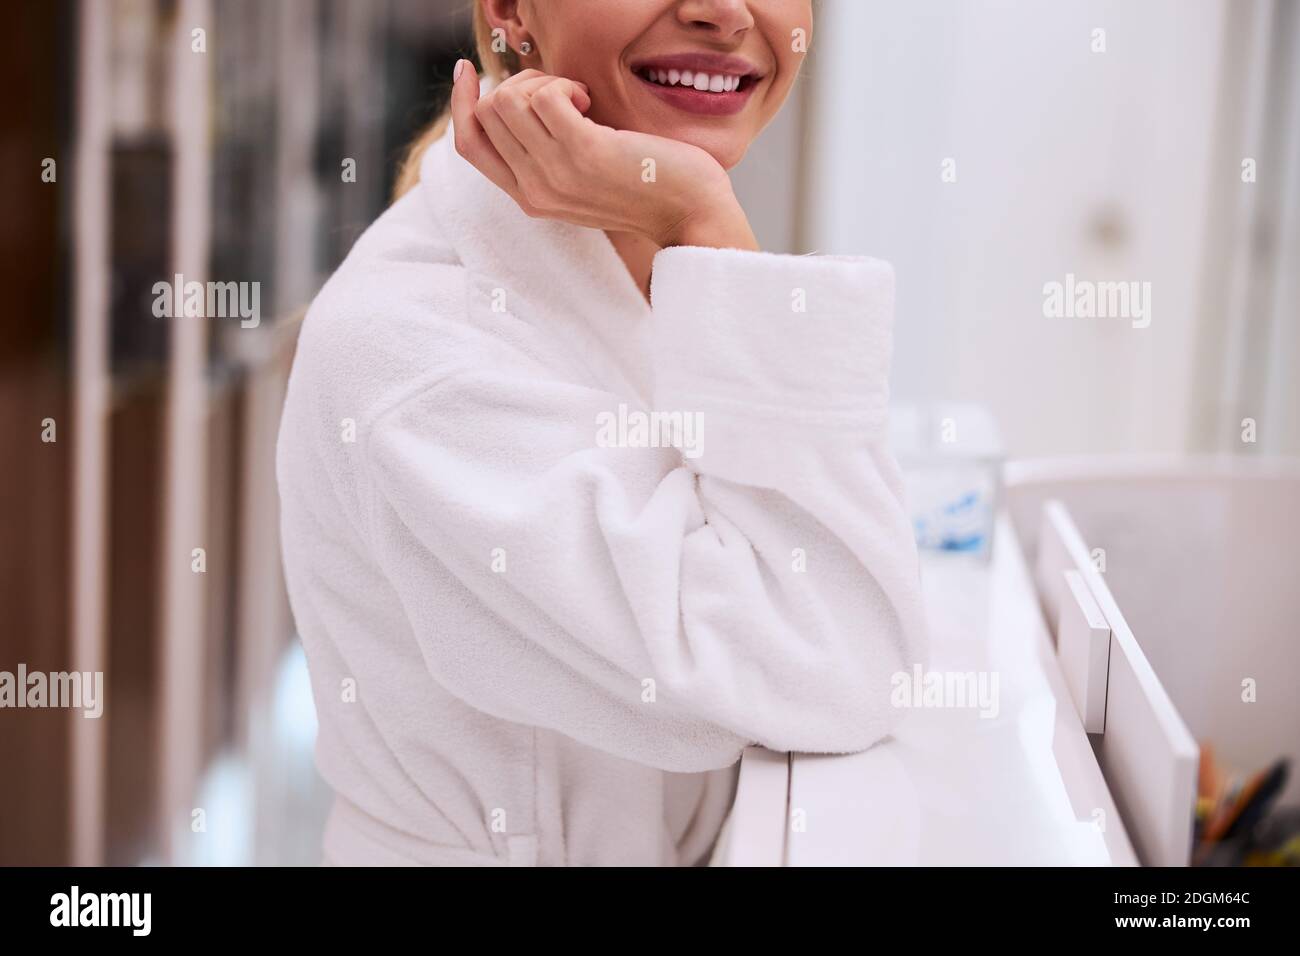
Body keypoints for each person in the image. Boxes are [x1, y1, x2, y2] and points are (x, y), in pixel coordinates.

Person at [277, 0, 926, 867]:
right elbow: (840, 662)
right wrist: (703, 215)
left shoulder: (648, 269)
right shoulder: (413, 350)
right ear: (510, 12)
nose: (724, 13)